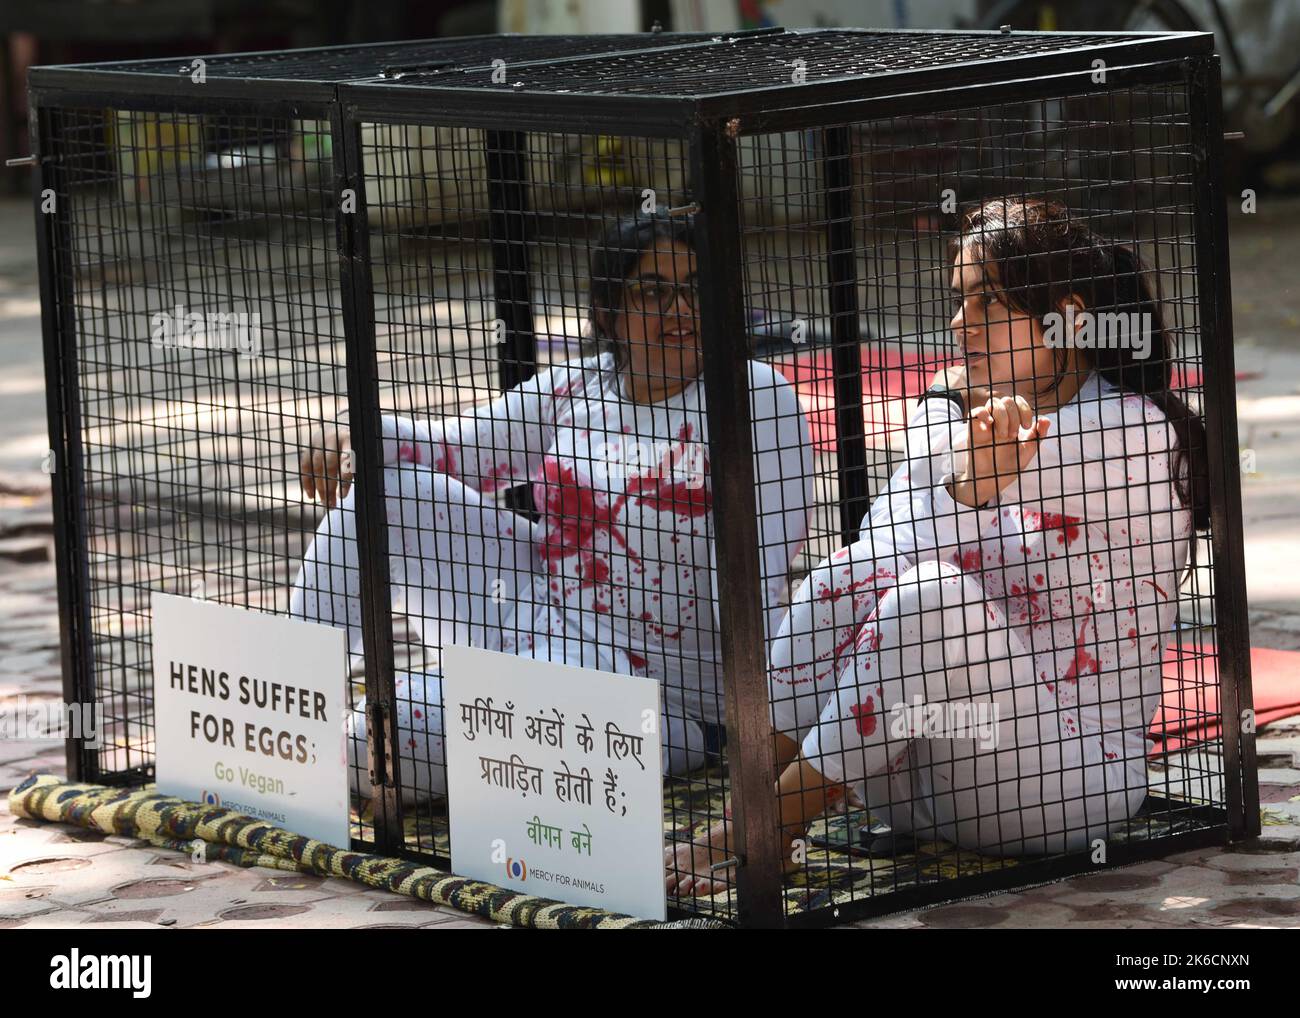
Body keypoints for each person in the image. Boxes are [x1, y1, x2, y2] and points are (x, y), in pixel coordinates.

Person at [666, 196, 1207, 896]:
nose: (958, 323)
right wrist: (964, 480)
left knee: (933, 597)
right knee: (848, 574)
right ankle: (750, 813)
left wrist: (955, 452)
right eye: (958, 300)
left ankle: (754, 833)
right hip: (911, 778)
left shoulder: (1132, 432)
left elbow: (925, 579)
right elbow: (876, 556)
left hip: (1062, 784)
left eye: (986, 303)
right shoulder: (955, 416)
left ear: (1069, 317)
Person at [290, 210, 814, 803]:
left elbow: (757, 582)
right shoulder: (581, 386)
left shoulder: (755, 399)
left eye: (694, 288)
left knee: (367, 745)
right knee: (384, 494)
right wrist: (352, 435)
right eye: (653, 291)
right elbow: (456, 450)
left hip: (653, 695)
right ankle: (293, 697)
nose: (680, 310)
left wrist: (763, 727)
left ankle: (439, 716)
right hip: (534, 621)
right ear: (607, 312)